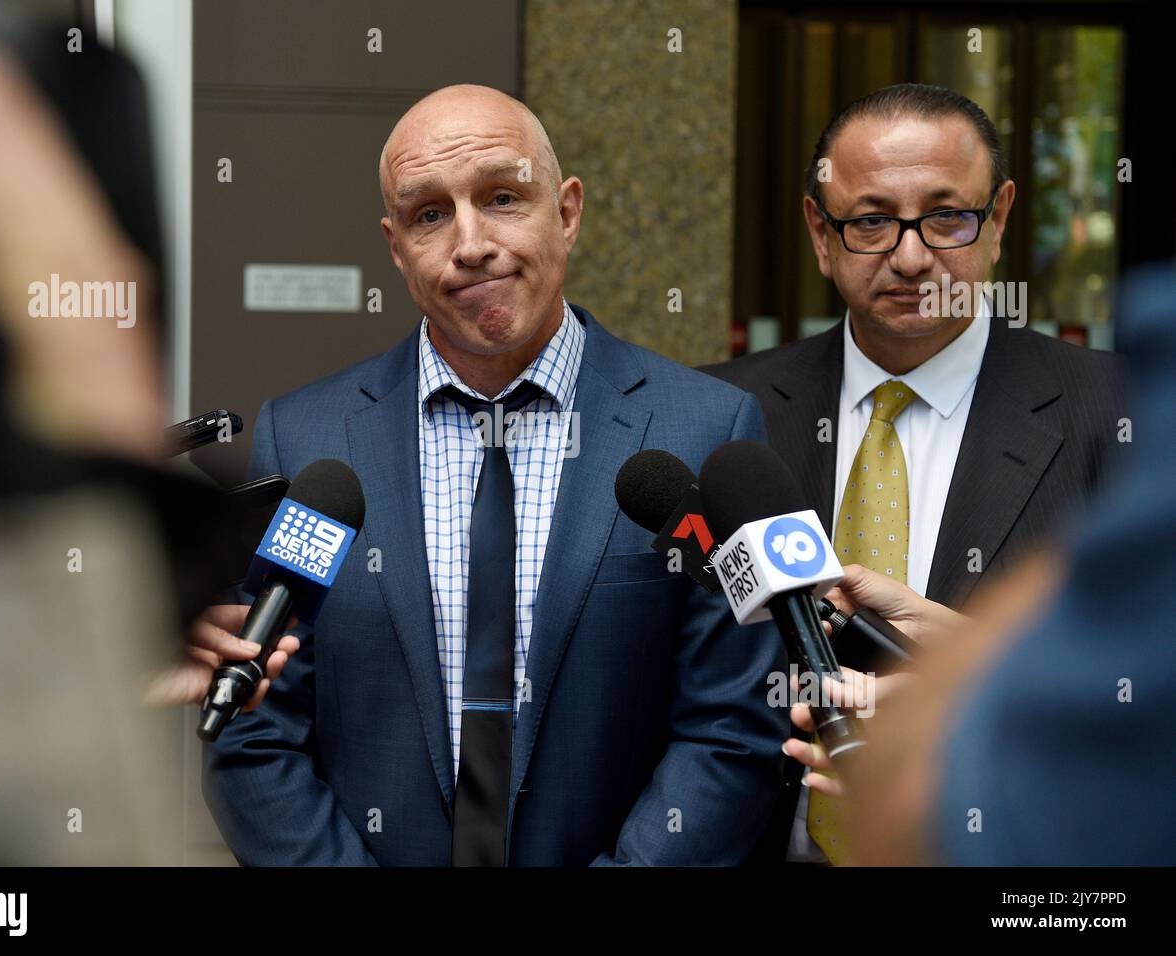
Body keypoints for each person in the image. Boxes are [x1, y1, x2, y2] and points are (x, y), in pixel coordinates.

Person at [201, 84, 788, 866]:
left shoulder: (703, 431)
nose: (470, 242)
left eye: (503, 197)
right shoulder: (308, 442)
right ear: (395, 245)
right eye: (429, 214)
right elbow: (251, 721)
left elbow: (733, 729)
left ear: (568, 210)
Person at [704, 83, 1126, 865]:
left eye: (946, 217)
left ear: (998, 220)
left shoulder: (1121, 416)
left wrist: (981, 667)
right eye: (870, 221)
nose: (909, 256)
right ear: (820, 234)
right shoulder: (719, 414)